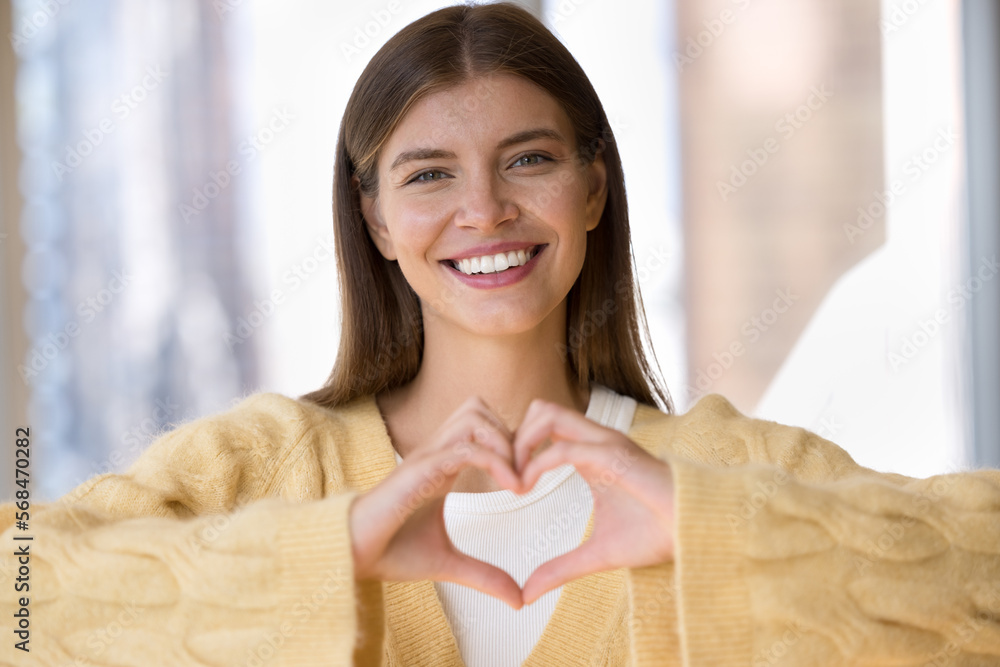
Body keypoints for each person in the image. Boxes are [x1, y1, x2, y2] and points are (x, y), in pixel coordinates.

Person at [2, 3, 1000, 666]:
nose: (484, 210)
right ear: (378, 221)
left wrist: (723, 533)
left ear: (592, 189)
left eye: (527, 160)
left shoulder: (717, 467)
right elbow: (17, 597)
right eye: (429, 173)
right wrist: (323, 552)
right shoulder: (270, 466)